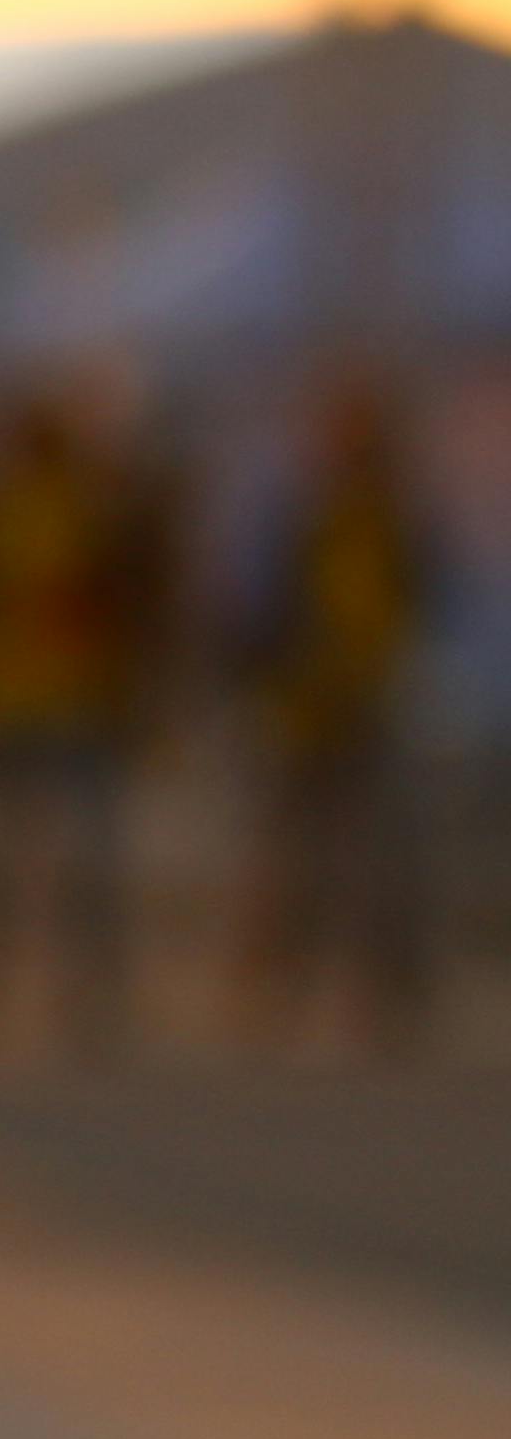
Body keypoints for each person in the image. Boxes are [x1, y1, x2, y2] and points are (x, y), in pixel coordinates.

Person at [0, 383, 164, 1051]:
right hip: (12, 701)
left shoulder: (91, 509)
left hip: (76, 702)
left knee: (83, 860)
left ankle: (88, 991)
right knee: (2, 858)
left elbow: (125, 597)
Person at [237, 373, 441, 1049]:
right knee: (294, 860)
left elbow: (419, 601)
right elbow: (266, 614)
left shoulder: (393, 518)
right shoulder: (304, 517)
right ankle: (277, 987)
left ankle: (388, 996)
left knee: (381, 862)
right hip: (306, 708)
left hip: (371, 703)